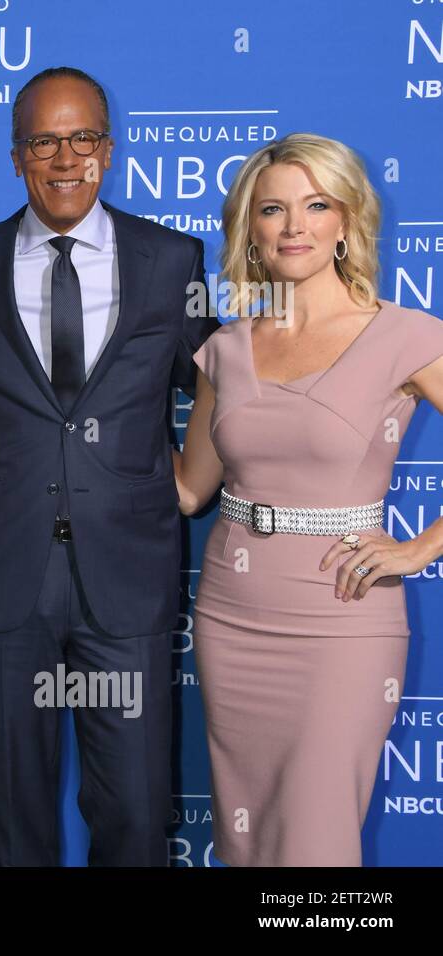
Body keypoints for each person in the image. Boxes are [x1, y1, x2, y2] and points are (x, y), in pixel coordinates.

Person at [0, 67, 217, 866]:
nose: (64, 158)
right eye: (44, 141)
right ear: (16, 157)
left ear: (109, 150)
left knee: (139, 816)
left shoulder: (172, 259)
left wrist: (196, 480)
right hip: (6, 579)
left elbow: (216, 379)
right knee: (14, 822)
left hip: (130, 574)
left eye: (82, 139)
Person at [174, 133, 443, 866]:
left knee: (315, 845)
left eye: (315, 204)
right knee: (250, 842)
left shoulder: (407, 336)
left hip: (343, 618)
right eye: (273, 209)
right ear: (250, 229)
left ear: (347, 221)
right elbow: (190, 488)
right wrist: (77, 409)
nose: (294, 225)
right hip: (232, 616)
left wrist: (419, 548)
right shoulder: (226, 349)